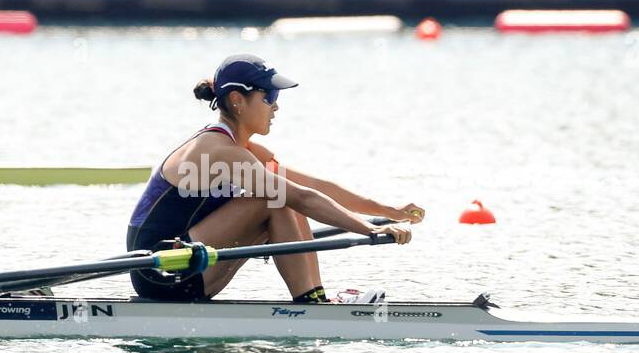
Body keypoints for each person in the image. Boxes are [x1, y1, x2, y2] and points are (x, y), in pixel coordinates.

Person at [125, 54, 423, 303]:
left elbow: (314, 188)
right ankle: (311, 303)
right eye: (269, 96)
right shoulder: (218, 150)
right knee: (276, 198)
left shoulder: (240, 148)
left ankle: (316, 298)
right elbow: (303, 197)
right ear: (237, 100)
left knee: (284, 196)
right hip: (160, 270)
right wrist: (368, 230)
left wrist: (387, 211)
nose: (276, 105)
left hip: (192, 265)